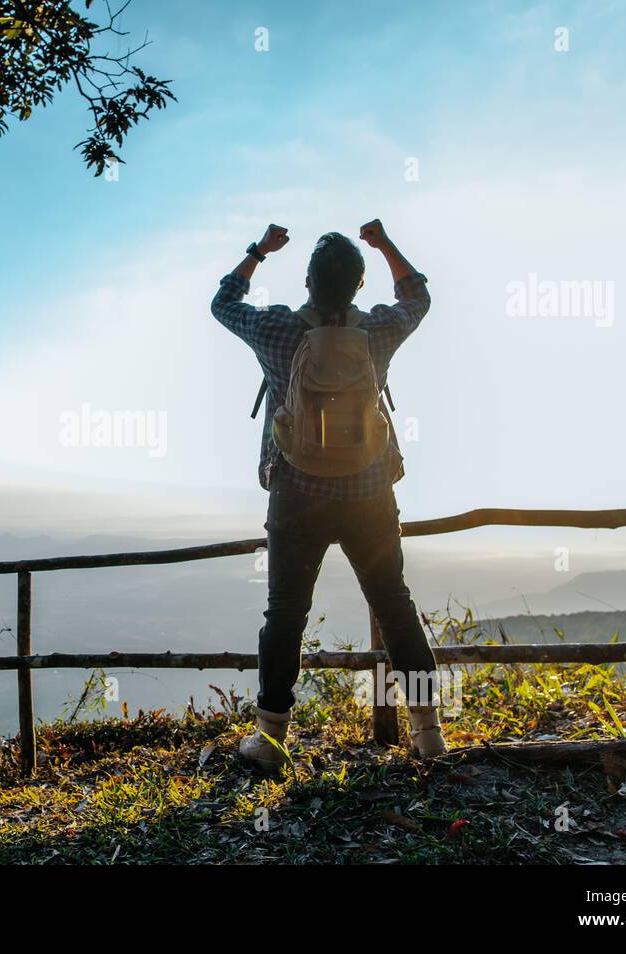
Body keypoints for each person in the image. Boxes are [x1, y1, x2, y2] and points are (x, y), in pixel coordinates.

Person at [210, 219, 447, 766]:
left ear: (309, 282)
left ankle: (269, 742)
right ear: (358, 287)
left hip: (297, 493)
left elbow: (223, 303)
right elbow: (419, 296)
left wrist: (258, 252)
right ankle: (428, 735)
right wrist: (385, 243)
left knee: (285, 613)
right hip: (369, 493)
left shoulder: (277, 330)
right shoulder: (380, 330)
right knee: (394, 605)